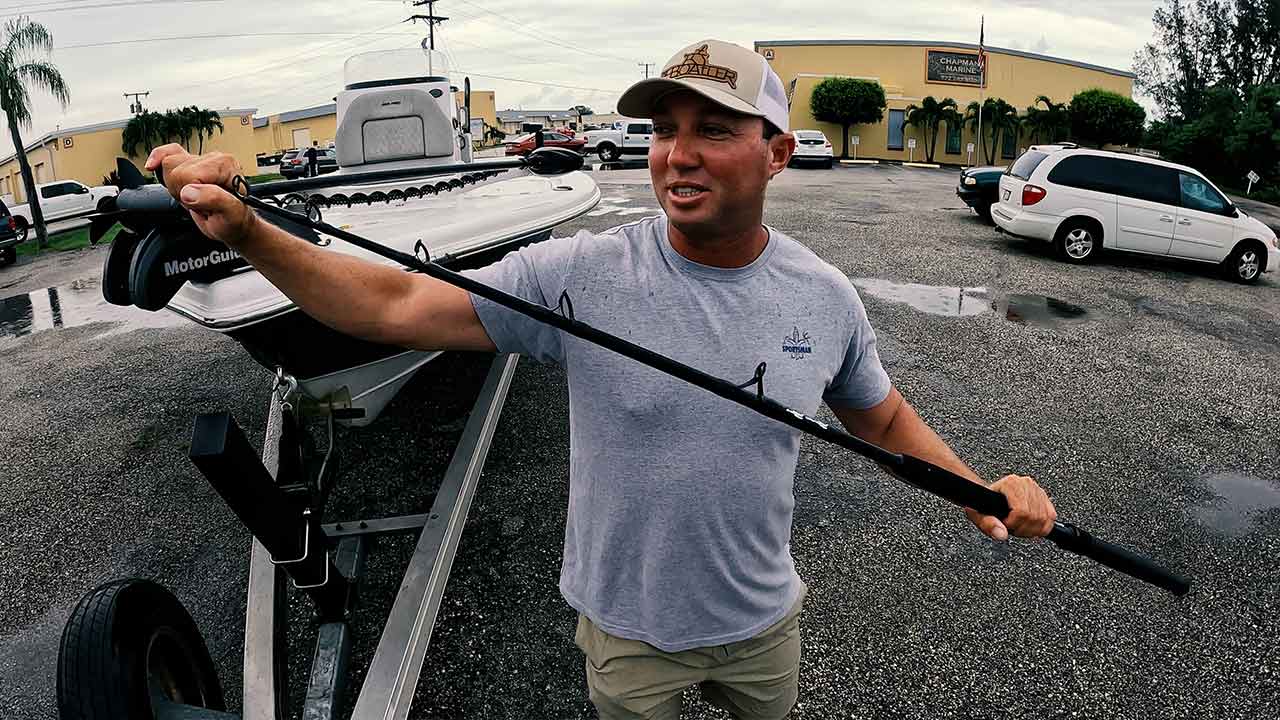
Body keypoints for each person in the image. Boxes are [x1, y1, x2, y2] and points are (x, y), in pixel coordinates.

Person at [147, 38, 1056, 720]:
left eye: (714, 129)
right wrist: (254, 236)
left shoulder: (823, 297)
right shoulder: (579, 275)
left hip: (762, 625)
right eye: (664, 130)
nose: (677, 153)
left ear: (776, 152)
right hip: (625, 631)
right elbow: (388, 306)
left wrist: (976, 490)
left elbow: (882, 415)